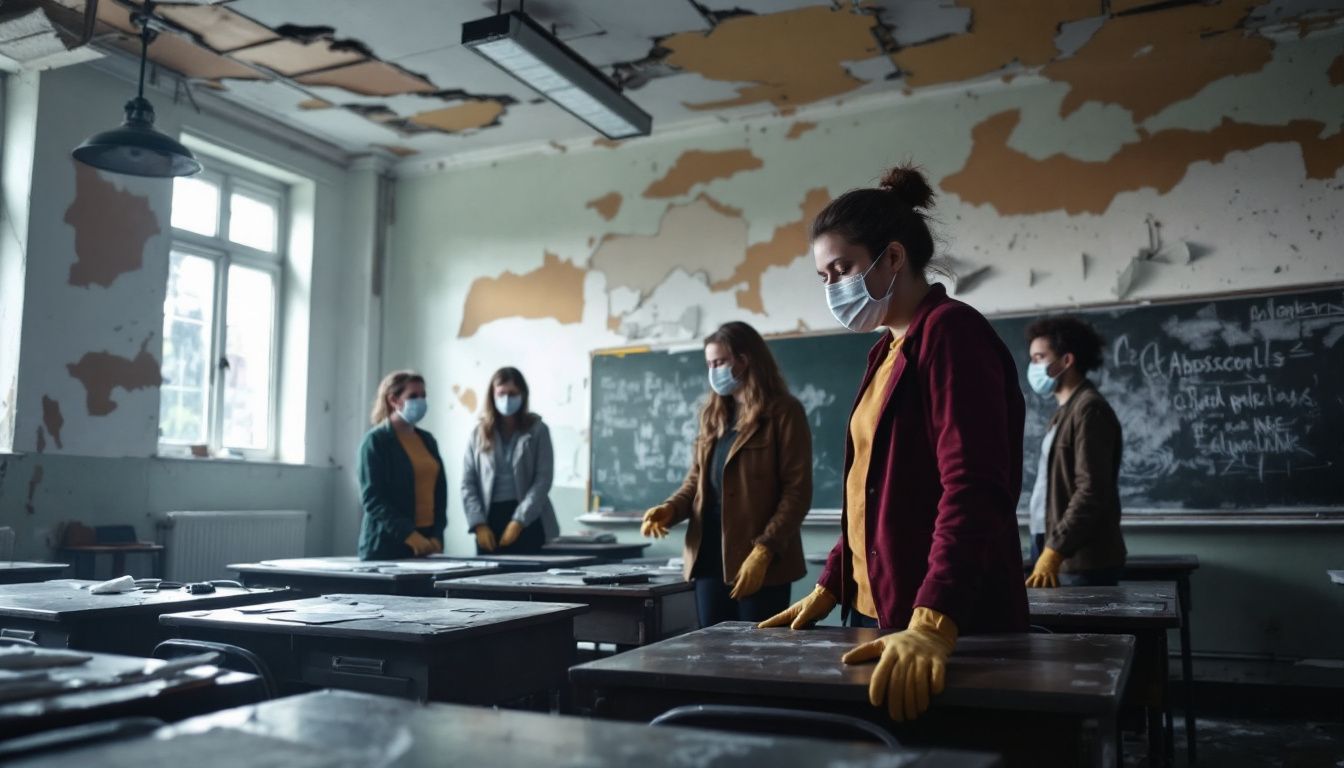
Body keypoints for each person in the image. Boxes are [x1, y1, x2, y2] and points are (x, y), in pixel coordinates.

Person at [759, 164, 1028, 723]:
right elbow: (872, 489)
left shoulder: (951, 333)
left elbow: (975, 487)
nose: (834, 288)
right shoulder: (886, 350)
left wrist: (934, 619)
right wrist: (834, 580)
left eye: (843, 269)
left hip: (939, 623)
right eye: (824, 277)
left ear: (894, 258)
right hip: (875, 609)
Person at [641, 321, 812, 626]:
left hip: (759, 562)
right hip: (708, 559)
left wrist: (764, 549)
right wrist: (669, 509)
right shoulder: (713, 415)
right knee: (711, 655)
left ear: (744, 361)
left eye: (719, 362)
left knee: (757, 656)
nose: (713, 371)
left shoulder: (785, 412)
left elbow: (796, 492)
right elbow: (696, 482)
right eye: (709, 364)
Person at [1023, 316, 1126, 588]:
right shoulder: (1064, 411)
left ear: (1067, 361)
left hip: (1079, 558)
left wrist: (1056, 549)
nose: (1033, 367)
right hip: (1054, 546)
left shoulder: (1088, 409)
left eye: (1040, 357)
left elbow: (1091, 489)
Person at [462, 367, 558, 554]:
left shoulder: (538, 430)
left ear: (523, 395)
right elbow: (468, 482)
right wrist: (478, 523)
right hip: (489, 520)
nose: (507, 399)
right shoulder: (478, 433)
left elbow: (543, 480)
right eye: (501, 393)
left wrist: (519, 520)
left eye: (512, 393)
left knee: (529, 579)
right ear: (492, 395)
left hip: (529, 519)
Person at [357, 371, 447, 560]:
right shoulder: (375, 441)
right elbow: (372, 498)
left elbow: (440, 492)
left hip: (426, 544)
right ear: (393, 400)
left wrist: (437, 535)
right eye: (413, 396)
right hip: (387, 545)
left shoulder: (427, 440)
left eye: (423, 396)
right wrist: (409, 534)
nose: (421, 401)